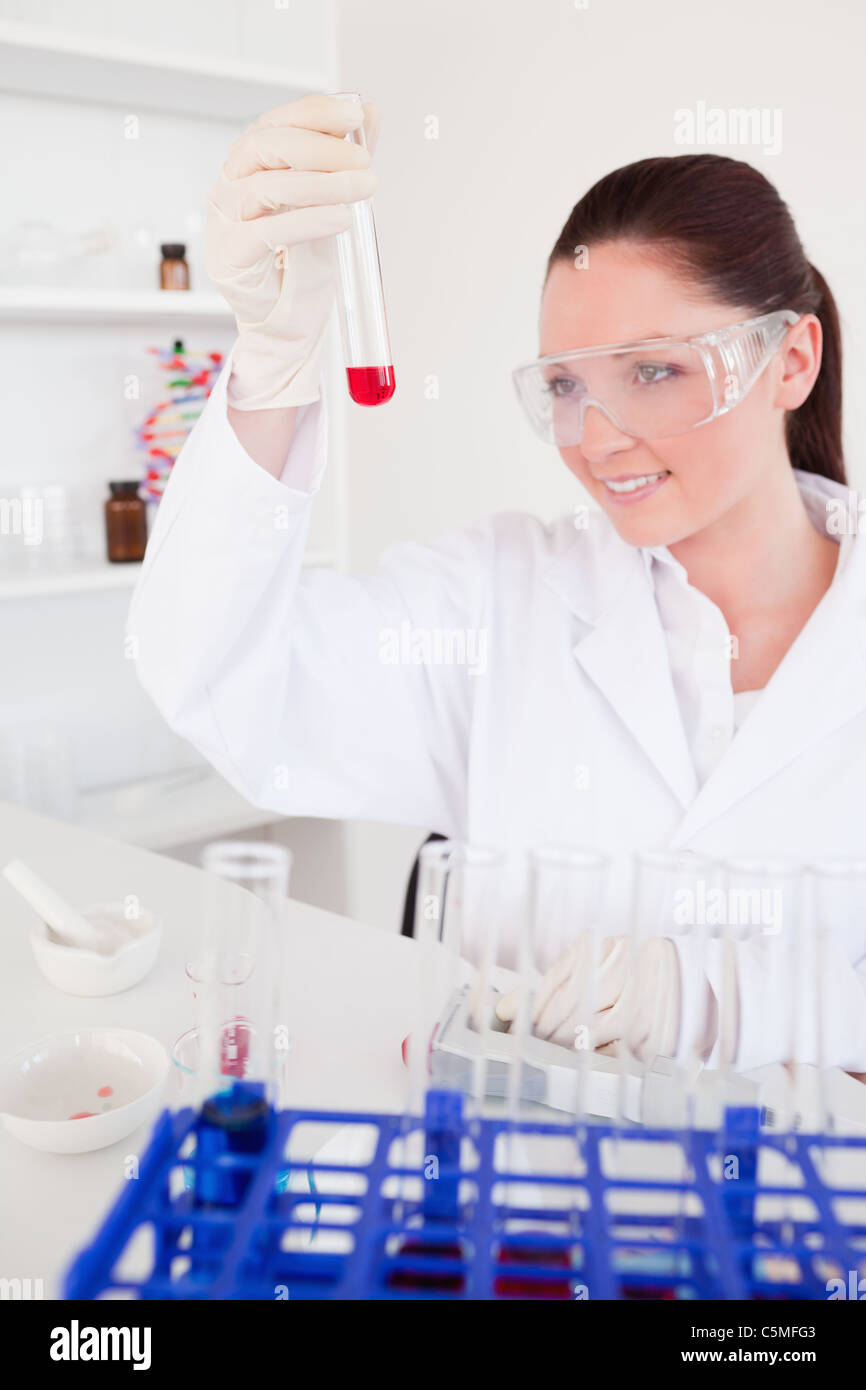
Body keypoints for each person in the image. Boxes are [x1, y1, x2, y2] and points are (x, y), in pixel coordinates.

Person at [129, 94, 866, 1075]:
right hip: (517, 1205)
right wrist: (273, 364)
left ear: (790, 361)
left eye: (651, 371)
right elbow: (217, 676)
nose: (597, 436)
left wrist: (733, 1004)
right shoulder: (495, 598)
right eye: (565, 385)